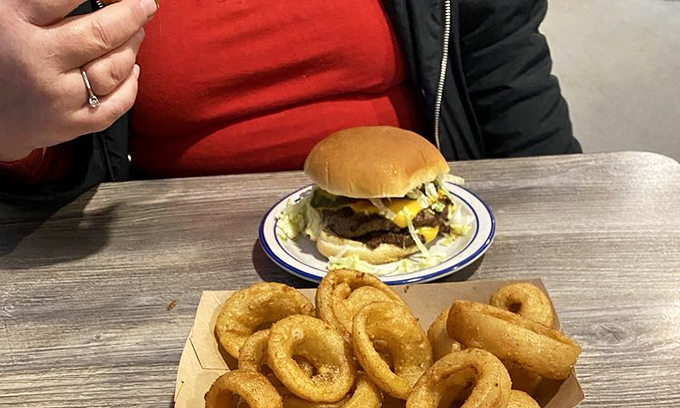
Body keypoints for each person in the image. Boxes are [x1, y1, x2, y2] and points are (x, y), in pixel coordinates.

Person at [0, 0, 580, 204]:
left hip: (430, 237)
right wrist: (15, 143)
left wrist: (571, 206)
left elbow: (508, 75)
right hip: (161, 275)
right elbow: (52, 172)